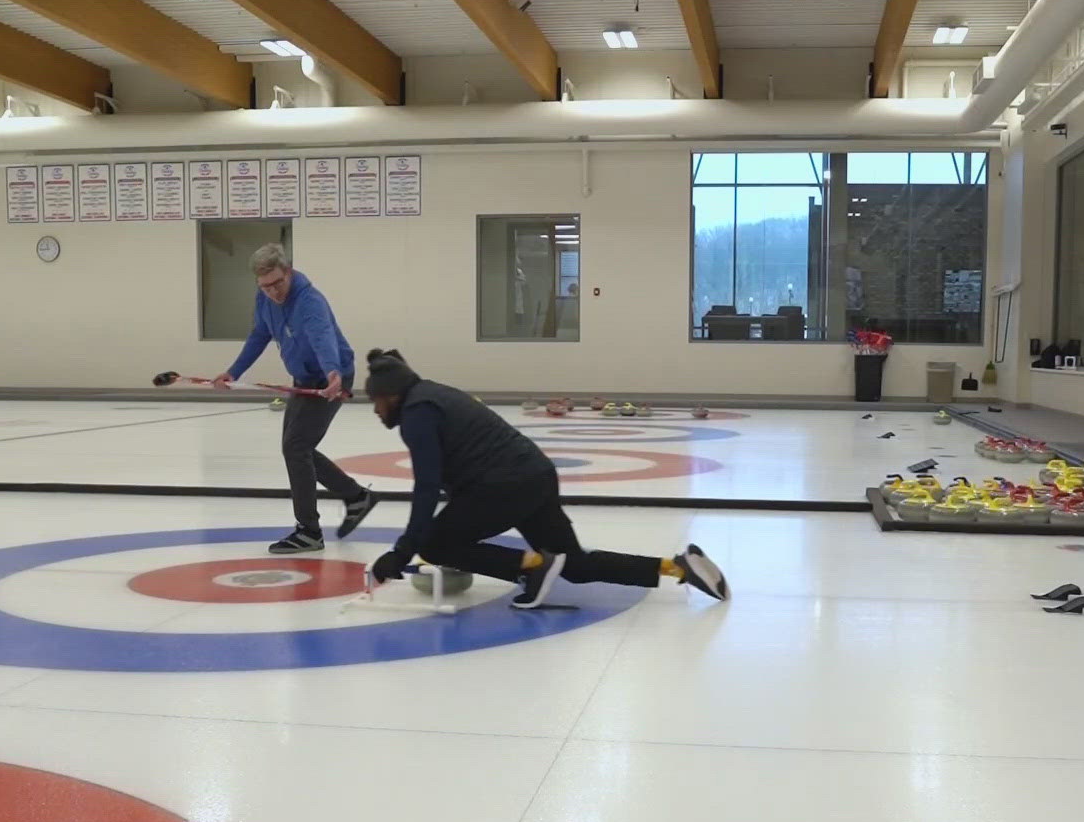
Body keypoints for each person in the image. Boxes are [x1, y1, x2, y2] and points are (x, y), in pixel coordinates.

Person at [359, 349, 728, 609]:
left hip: (503, 485)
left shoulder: (417, 413)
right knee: (574, 566)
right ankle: (676, 566)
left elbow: (426, 488)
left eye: (376, 402)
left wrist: (401, 552)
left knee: (435, 544)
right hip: (533, 475)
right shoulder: (433, 394)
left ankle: (532, 567)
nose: (376, 411)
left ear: (392, 396)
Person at [215, 243, 375, 552]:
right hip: (304, 379)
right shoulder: (264, 299)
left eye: (278, 283)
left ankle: (309, 531)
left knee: (296, 447)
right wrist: (233, 372)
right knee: (297, 448)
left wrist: (332, 373)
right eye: (265, 286)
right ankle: (356, 497)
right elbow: (259, 335)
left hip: (329, 379)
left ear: (288, 272)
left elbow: (322, 337)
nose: (273, 292)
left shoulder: (309, 301)